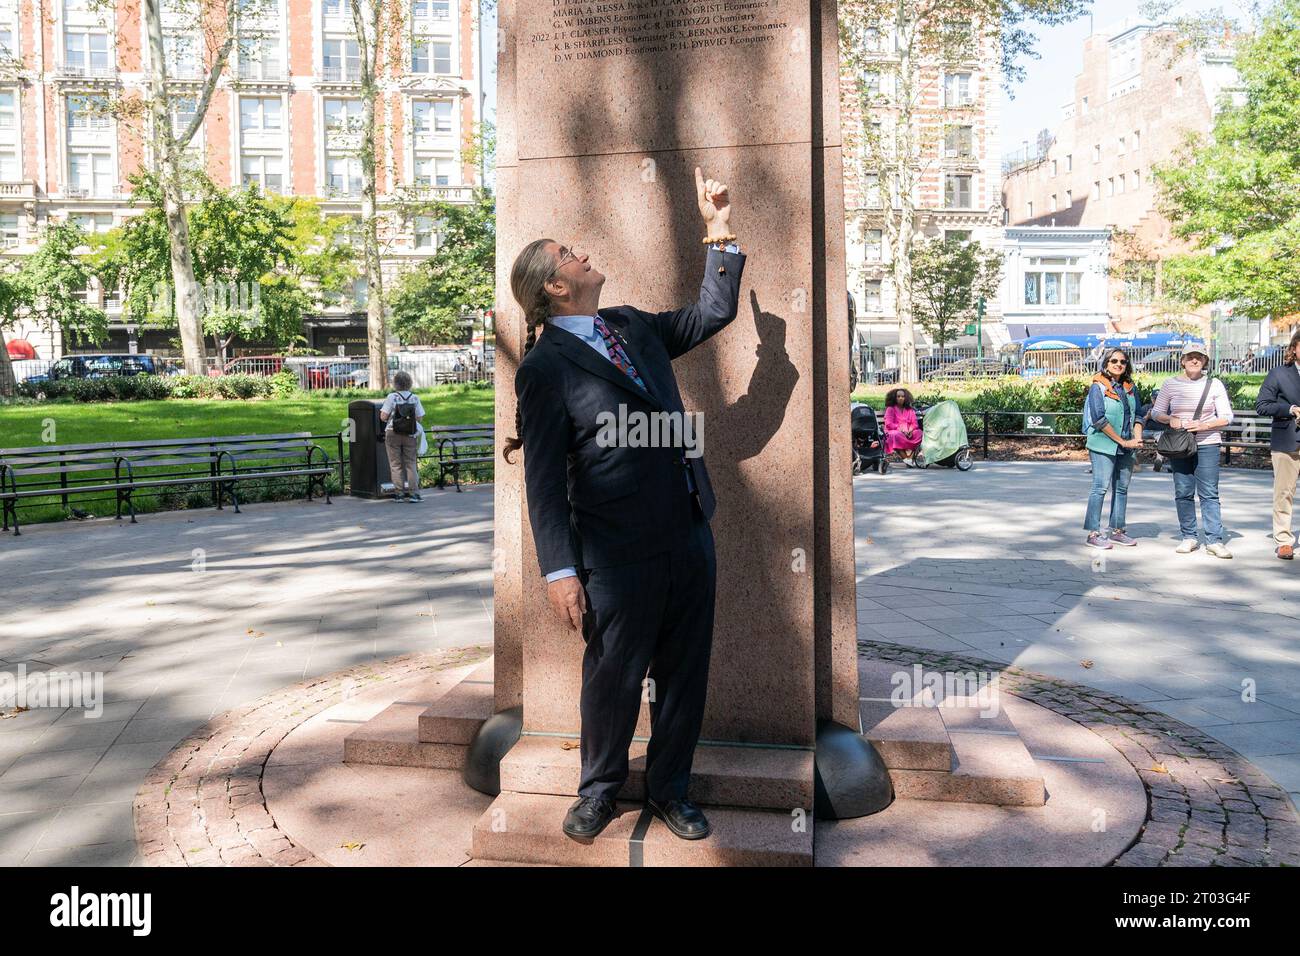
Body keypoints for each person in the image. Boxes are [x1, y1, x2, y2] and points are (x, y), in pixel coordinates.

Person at [503, 168, 742, 843]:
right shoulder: (545, 369)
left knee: (684, 675)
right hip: (614, 554)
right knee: (612, 680)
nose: (580, 252)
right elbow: (544, 480)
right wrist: (560, 571)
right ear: (556, 286)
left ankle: (671, 791)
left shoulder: (633, 326)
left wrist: (718, 227)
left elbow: (710, 314)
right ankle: (600, 791)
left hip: (689, 533)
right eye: (567, 253)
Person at [1150, 342, 1234, 557]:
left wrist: (1206, 425)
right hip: (1180, 444)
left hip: (1208, 442)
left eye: (1199, 357)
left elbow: (1227, 416)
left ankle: (1214, 540)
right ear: (1182, 361)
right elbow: (1156, 412)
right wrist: (1171, 419)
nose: (1194, 360)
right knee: (1183, 491)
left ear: (1205, 361)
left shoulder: (1214, 384)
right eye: (1190, 357)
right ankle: (1189, 536)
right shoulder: (1170, 384)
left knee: (1209, 493)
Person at [1082, 348, 1142, 549]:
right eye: (1113, 360)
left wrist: (1137, 439)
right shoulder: (1098, 386)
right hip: (1103, 444)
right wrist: (1123, 442)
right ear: (1106, 363)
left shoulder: (1130, 387)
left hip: (1127, 444)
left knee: (1122, 488)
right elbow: (1099, 419)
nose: (1118, 364)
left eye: (1123, 362)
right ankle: (1093, 533)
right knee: (1100, 488)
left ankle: (1118, 530)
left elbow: (1139, 415)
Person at [1255, 330, 1300, 559]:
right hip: (1287, 441)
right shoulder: (1279, 373)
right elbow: (1262, 405)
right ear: (1294, 348)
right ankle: (1284, 540)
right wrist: (1290, 409)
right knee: (1284, 493)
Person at [379, 370, 425, 502]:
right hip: (410, 434)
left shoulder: (391, 397)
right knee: (411, 464)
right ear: (409, 383)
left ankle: (399, 494)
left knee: (395, 464)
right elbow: (420, 417)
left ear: (395, 383)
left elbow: (383, 417)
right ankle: (414, 494)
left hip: (393, 432)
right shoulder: (415, 398)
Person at [883, 388, 923, 466]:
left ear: (906, 398)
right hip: (894, 431)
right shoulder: (890, 409)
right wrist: (901, 429)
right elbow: (888, 424)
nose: (901, 398)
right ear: (894, 398)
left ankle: (910, 458)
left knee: (919, 433)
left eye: (903, 396)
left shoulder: (909, 410)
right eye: (898, 396)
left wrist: (911, 430)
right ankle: (906, 459)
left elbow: (914, 423)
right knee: (895, 435)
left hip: (908, 432)